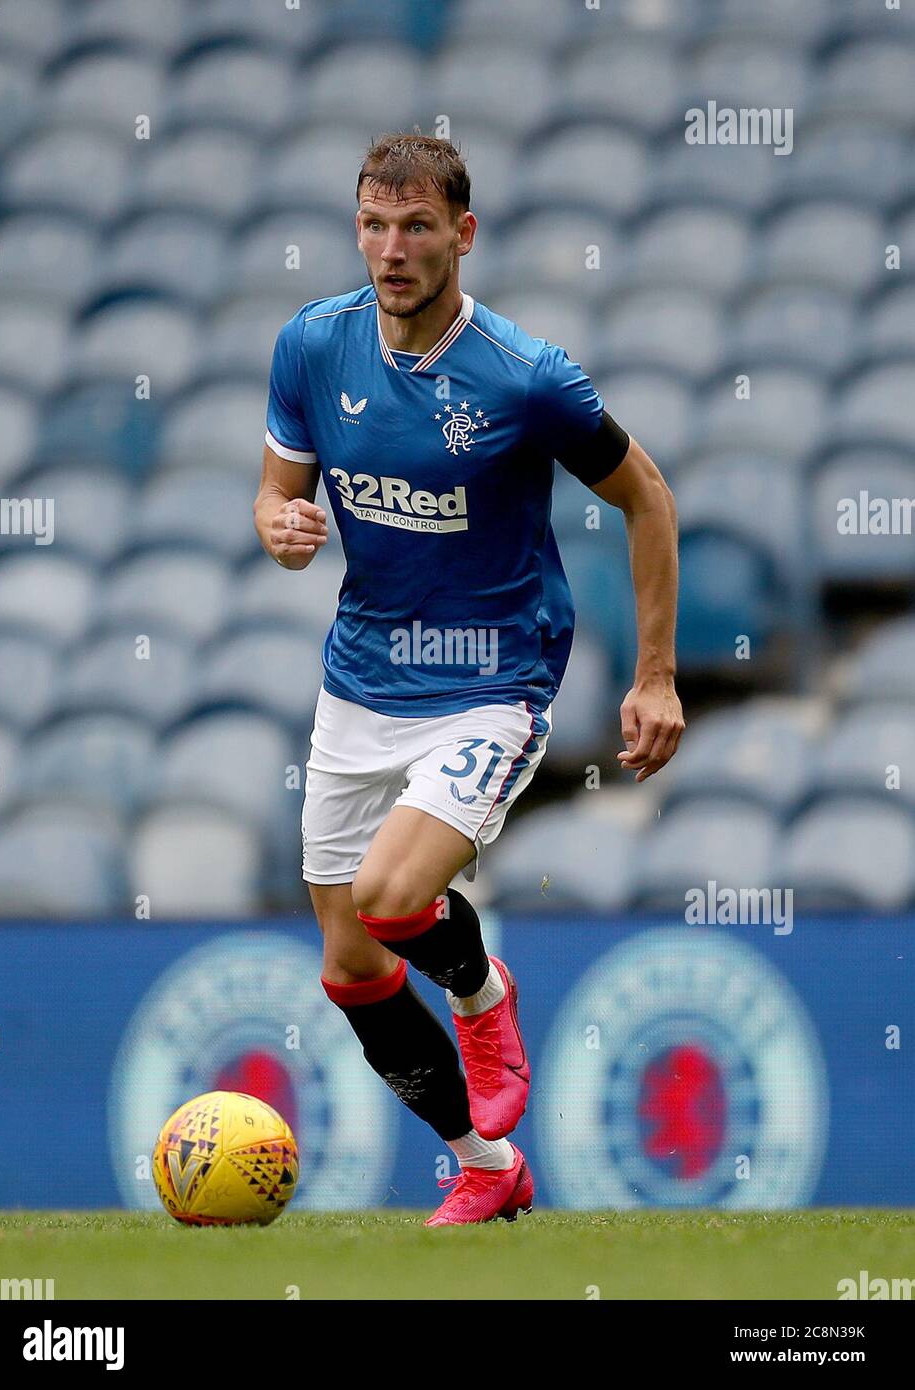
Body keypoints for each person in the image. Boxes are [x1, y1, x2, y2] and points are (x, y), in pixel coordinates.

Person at [254, 133, 684, 1225]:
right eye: (372, 224)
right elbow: (275, 495)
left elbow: (648, 498)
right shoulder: (312, 347)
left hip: (494, 673)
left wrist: (657, 677)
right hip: (362, 673)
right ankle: (485, 1167)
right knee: (348, 963)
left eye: (415, 227)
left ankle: (484, 992)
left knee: (395, 898)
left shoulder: (526, 376)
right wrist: (285, 526)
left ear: (462, 235)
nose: (390, 249)